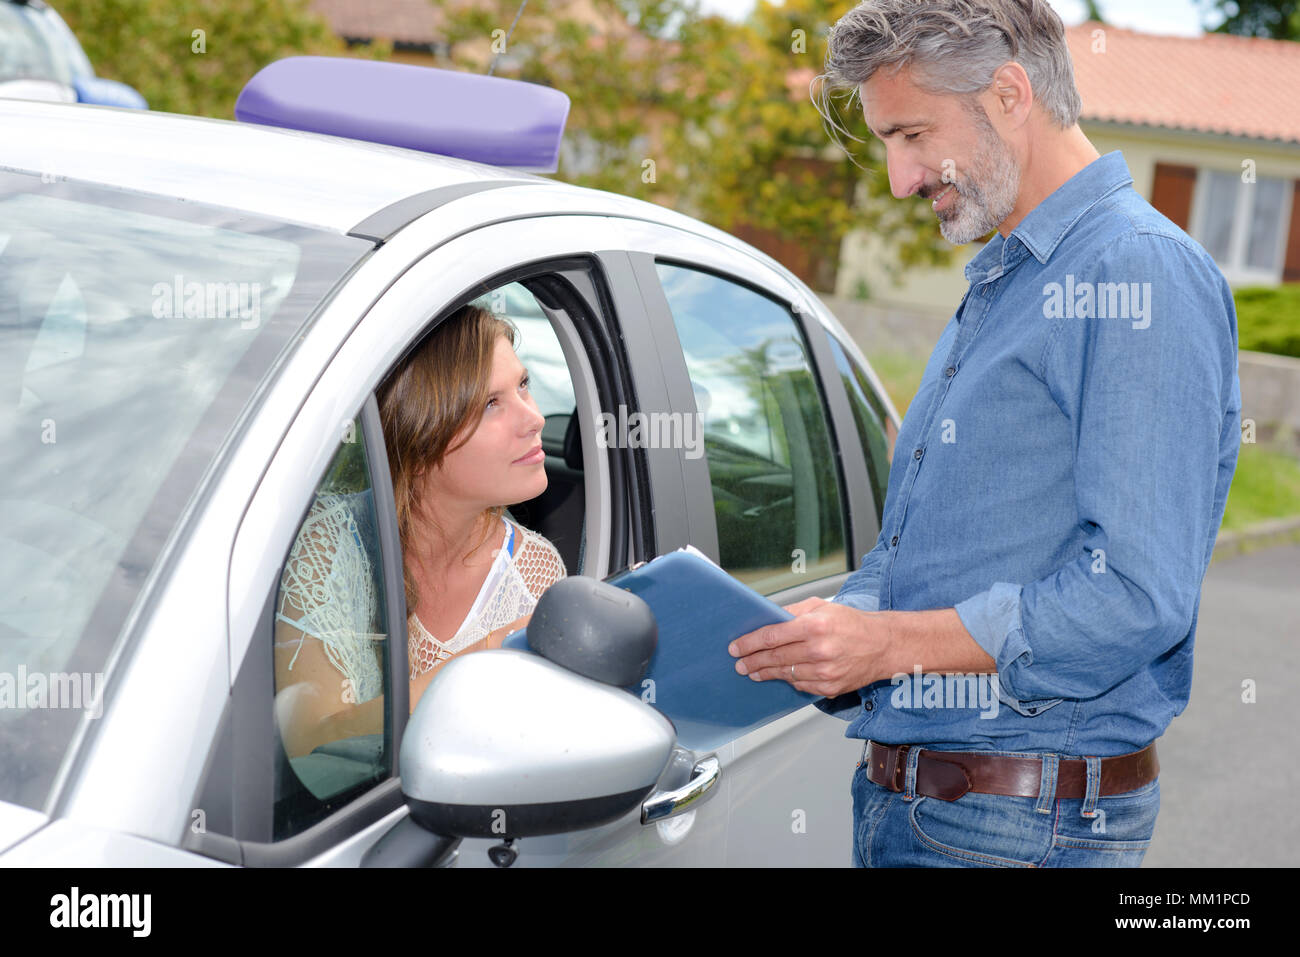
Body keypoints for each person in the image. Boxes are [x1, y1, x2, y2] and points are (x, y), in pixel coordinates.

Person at [729, 0, 1241, 867]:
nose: (899, 178)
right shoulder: (1009, 279)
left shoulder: (1135, 274)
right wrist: (822, 630)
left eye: (912, 134)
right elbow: (937, 564)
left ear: (1009, 93)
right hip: (938, 810)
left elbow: (1136, 594)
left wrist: (887, 644)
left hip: (1014, 827)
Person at [273, 304, 567, 759]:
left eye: (524, 385)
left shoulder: (535, 571)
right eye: (492, 404)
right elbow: (311, 747)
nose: (535, 418)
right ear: (422, 436)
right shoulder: (326, 547)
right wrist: (497, 652)